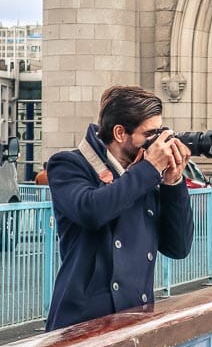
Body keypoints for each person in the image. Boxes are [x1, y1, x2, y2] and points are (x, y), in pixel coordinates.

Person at [45, 85, 195, 331]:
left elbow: (178, 247)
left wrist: (173, 182)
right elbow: (91, 210)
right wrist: (148, 170)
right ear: (119, 133)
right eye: (150, 133)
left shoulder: (144, 174)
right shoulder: (69, 164)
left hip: (137, 322)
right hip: (83, 325)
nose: (156, 142)